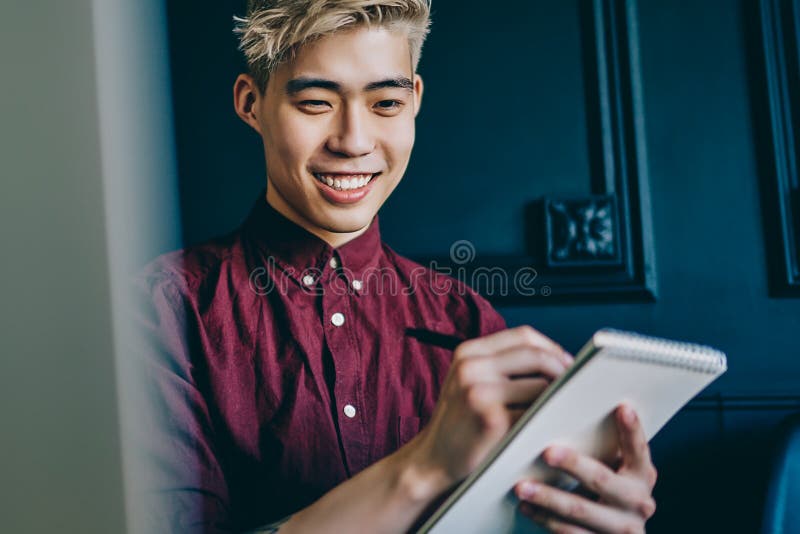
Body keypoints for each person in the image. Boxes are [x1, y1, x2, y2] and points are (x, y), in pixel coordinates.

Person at [133, 1, 658, 532]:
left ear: (415, 102)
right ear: (251, 104)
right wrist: (423, 465)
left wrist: (588, 512)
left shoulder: (468, 321)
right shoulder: (163, 311)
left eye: (385, 102)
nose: (354, 141)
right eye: (316, 103)